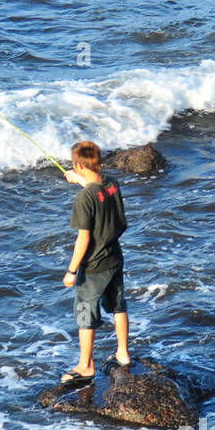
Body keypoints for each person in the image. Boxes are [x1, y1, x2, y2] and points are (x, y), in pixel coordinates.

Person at [61, 140, 130, 381]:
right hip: (114, 255)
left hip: (93, 265)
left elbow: (83, 239)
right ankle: (123, 352)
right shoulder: (112, 184)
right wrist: (80, 180)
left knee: (85, 312)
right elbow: (98, 190)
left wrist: (71, 271)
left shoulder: (83, 200)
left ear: (78, 165)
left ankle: (85, 365)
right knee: (118, 305)